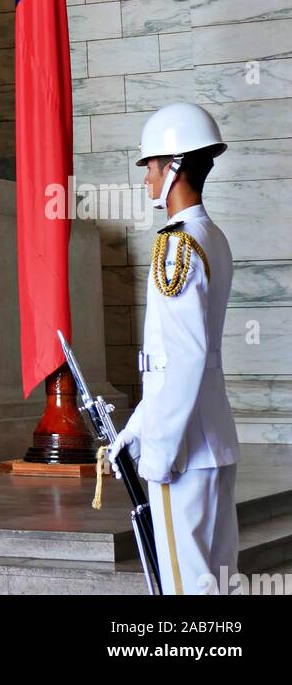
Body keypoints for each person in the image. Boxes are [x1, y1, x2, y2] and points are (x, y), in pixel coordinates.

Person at [108, 102, 241, 595]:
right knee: (218, 582)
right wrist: (137, 425)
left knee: (188, 591)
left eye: (150, 164)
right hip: (213, 439)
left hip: (184, 449)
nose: (145, 176)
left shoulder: (177, 246)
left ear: (175, 167)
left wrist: (158, 450)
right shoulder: (213, 237)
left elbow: (182, 360)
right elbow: (182, 360)